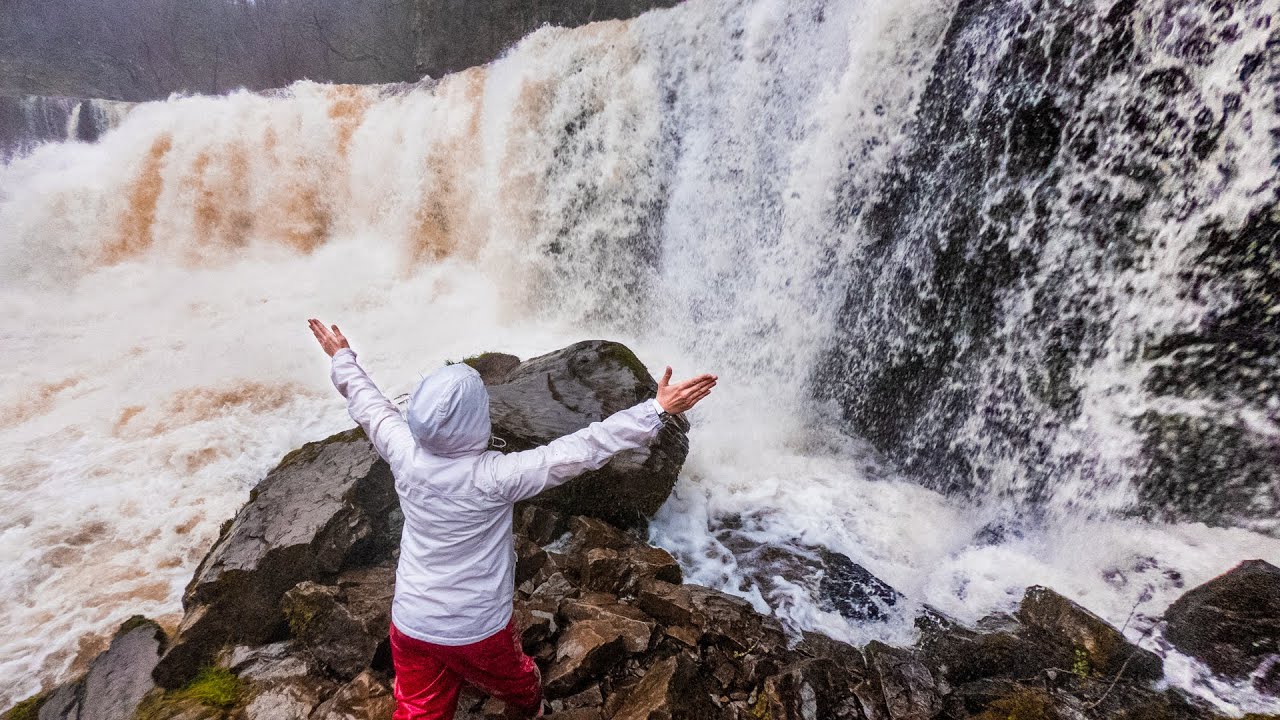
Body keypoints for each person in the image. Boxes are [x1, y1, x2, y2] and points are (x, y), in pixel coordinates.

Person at [307, 319, 717, 720]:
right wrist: (656, 409)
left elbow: (369, 405)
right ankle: (533, 708)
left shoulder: (403, 452)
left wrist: (342, 358)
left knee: (418, 710)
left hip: (412, 622)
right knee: (515, 678)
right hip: (478, 627)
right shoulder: (495, 477)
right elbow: (580, 450)